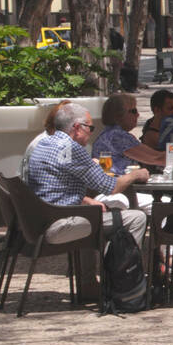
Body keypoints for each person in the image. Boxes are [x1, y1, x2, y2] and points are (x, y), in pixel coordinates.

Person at [24, 102, 149, 246]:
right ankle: (126, 268)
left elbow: (54, 188)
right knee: (137, 218)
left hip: (41, 221)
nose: (91, 133)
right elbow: (111, 187)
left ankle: (97, 268)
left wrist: (86, 200)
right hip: (60, 224)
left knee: (110, 208)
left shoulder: (44, 143)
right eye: (90, 128)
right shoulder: (71, 148)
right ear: (77, 128)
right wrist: (136, 174)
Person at [93, 94, 168, 176]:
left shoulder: (109, 133)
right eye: (134, 111)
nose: (138, 115)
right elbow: (155, 158)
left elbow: (156, 157)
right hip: (119, 186)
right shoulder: (117, 136)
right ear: (118, 115)